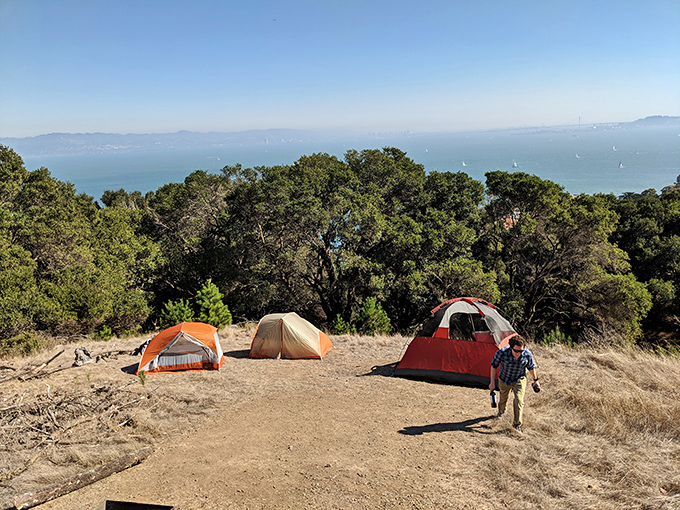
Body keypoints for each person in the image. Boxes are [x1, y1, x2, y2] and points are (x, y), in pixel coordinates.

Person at [489, 335, 540, 434]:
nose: (518, 353)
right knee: (503, 398)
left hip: (519, 379)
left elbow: (531, 367)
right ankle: (501, 413)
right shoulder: (502, 353)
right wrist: (492, 382)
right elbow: (493, 365)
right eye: (516, 351)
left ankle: (517, 425)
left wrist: (535, 380)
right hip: (504, 379)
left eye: (520, 351)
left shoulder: (527, 354)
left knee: (519, 400)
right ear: (511, 347)